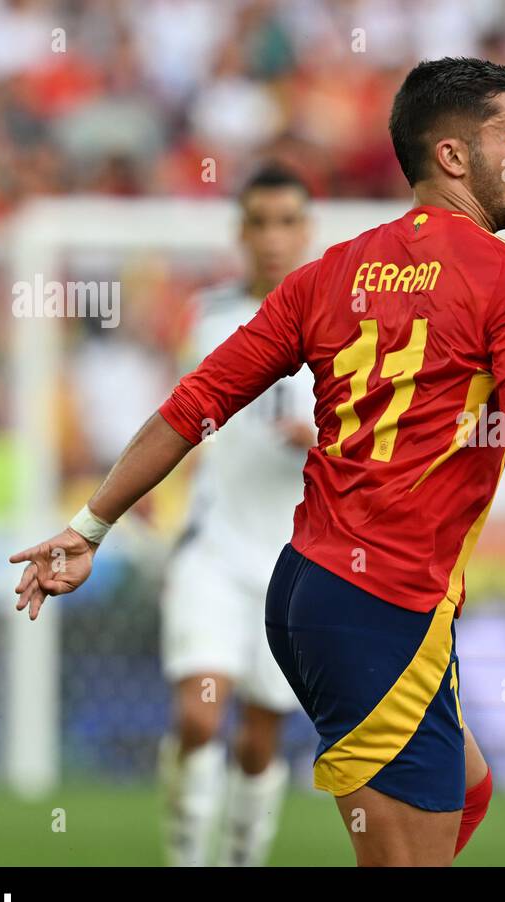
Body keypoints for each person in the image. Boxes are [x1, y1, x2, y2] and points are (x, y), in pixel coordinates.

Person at [10, 57, 505, 867]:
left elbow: (194, 404)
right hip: (386, 606)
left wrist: (91, 525)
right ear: (451, 156)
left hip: (308, 588)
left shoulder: (330, 273)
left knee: (469, 795)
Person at [158, 164, 316, 866]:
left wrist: (324, 439)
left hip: (293, 562)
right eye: (261, 221)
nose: (274, 237)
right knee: (199, 714)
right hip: (215, 549)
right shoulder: (208, 316)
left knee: (260, 738)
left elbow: (378, 445)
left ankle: (241, 856)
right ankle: (188, 856)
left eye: (288, 221)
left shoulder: (343, 323)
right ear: (240, 232)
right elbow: (179, 420)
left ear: (306, 230)